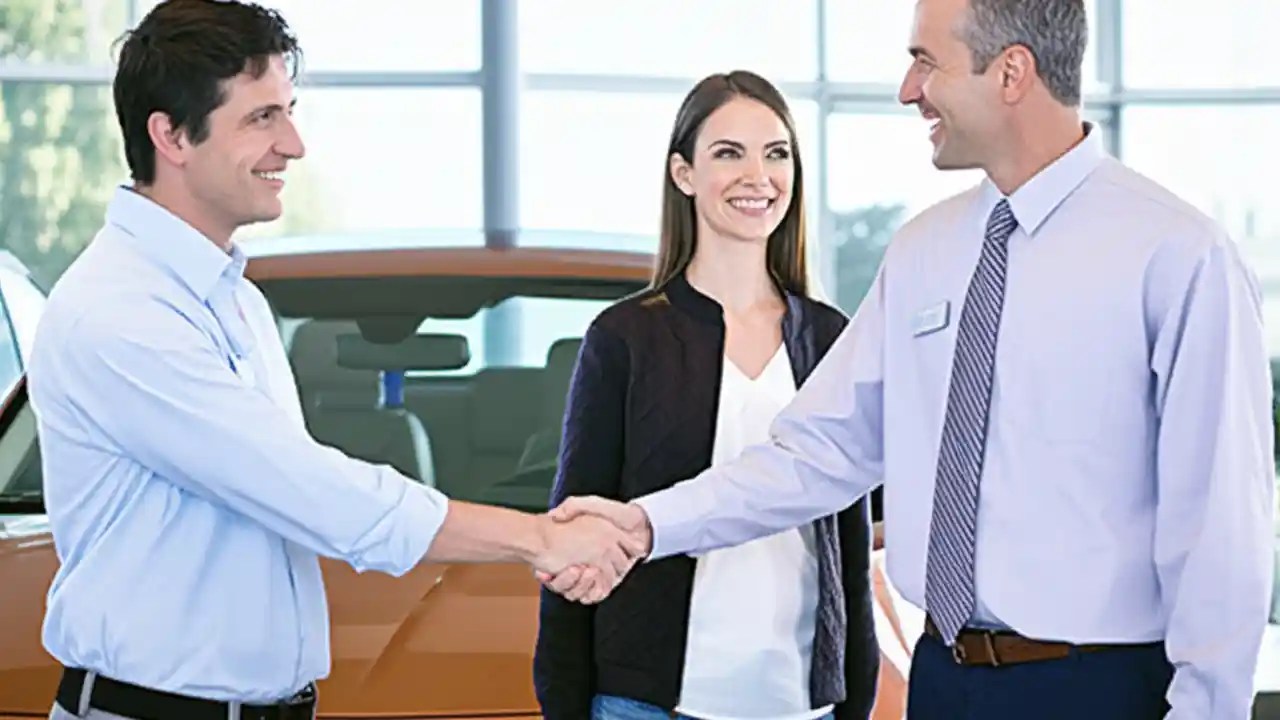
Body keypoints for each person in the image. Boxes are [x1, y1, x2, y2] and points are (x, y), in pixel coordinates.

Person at [543, 0, 1277, 719]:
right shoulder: (926, 250)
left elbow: (1220, 525)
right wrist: (647, 524)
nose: (908, 90)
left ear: (1011, 73)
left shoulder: (1178, 256)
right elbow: (819, 452)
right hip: (942, 675)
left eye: (926, 62)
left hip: (1101, 687)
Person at [27, 2, 641, 719]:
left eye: (288, 111)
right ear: (170, 134)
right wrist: (537, 536)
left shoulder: (235, 300)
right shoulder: (121, 312)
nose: (293, 145)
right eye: (261, 118)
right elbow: (304, 489)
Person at [531, 71, 880, 720]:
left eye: (776, 154)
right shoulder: (625, 338)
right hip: (648, 705)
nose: (758, 176)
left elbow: (849, 544)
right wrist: (564, 703)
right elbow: (576, 528)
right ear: (683, 173)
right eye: (729, 153)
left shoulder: (831, 337)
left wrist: (854, 700)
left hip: (800, 706)